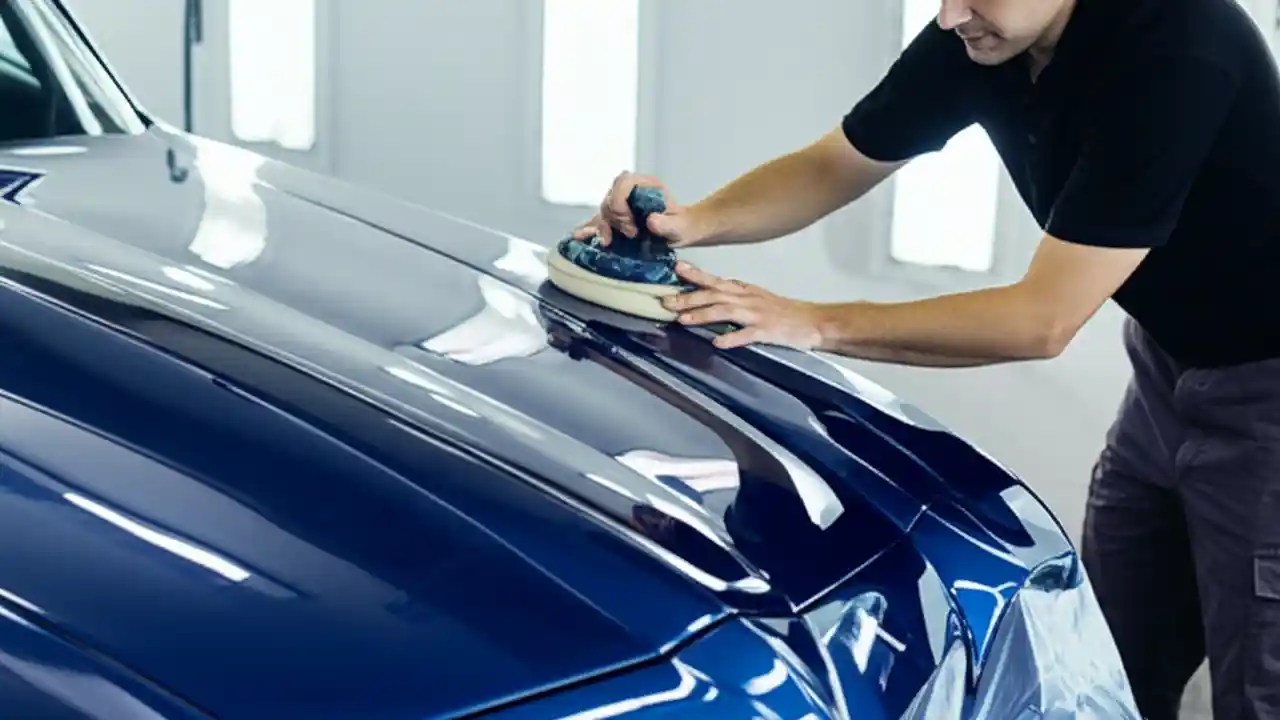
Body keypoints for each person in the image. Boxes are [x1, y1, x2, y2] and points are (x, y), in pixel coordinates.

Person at [574, 0, 1280, 717]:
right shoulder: (984, 35)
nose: (948, 14)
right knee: (1105, 671)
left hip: (1270, 392)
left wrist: (811, 323)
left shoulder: (1183, 50)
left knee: (1262, 685)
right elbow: (833, 164)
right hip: (1168, 367)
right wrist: (691, 222)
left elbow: (1042, 320)